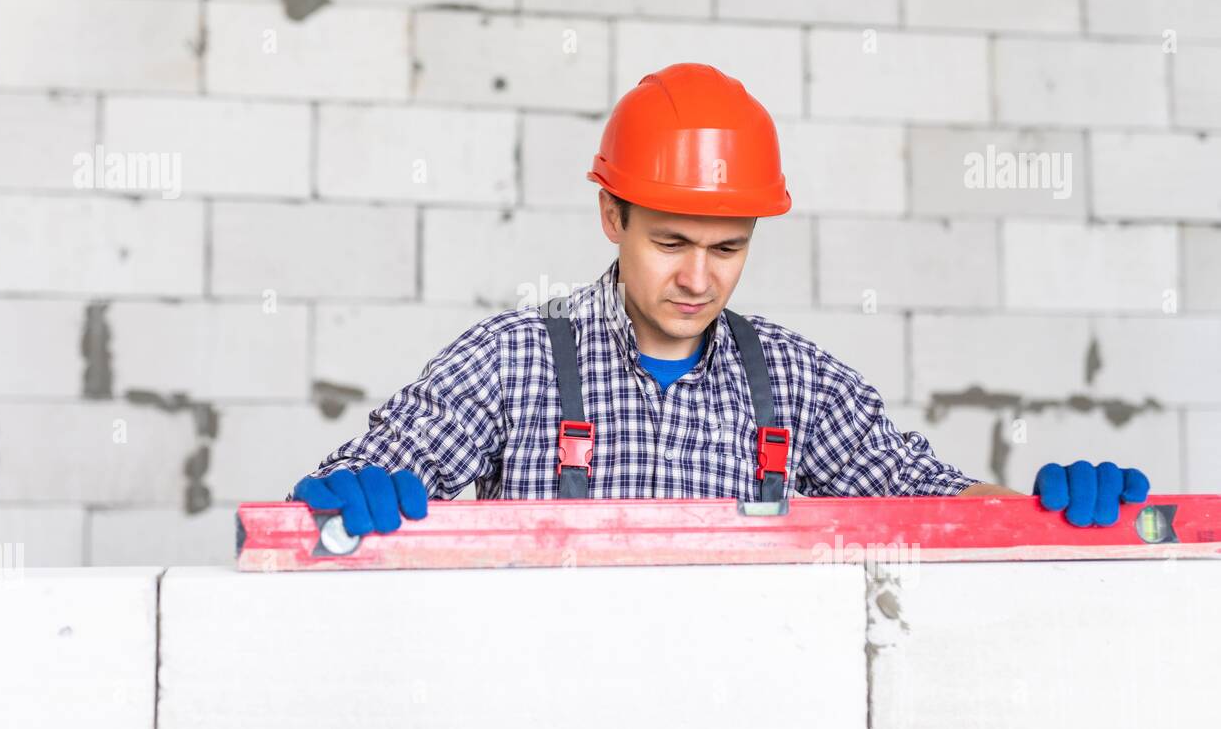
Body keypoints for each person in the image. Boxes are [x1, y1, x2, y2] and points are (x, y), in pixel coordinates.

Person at [292, 63, 1150, 537]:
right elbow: (331, 499)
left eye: (727, 248)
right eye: (669, 243)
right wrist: (344, 500)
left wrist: (1048, 510)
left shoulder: (795, 382)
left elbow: (921, 497)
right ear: (611, 216)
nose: (699, 279)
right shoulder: (510, 362)